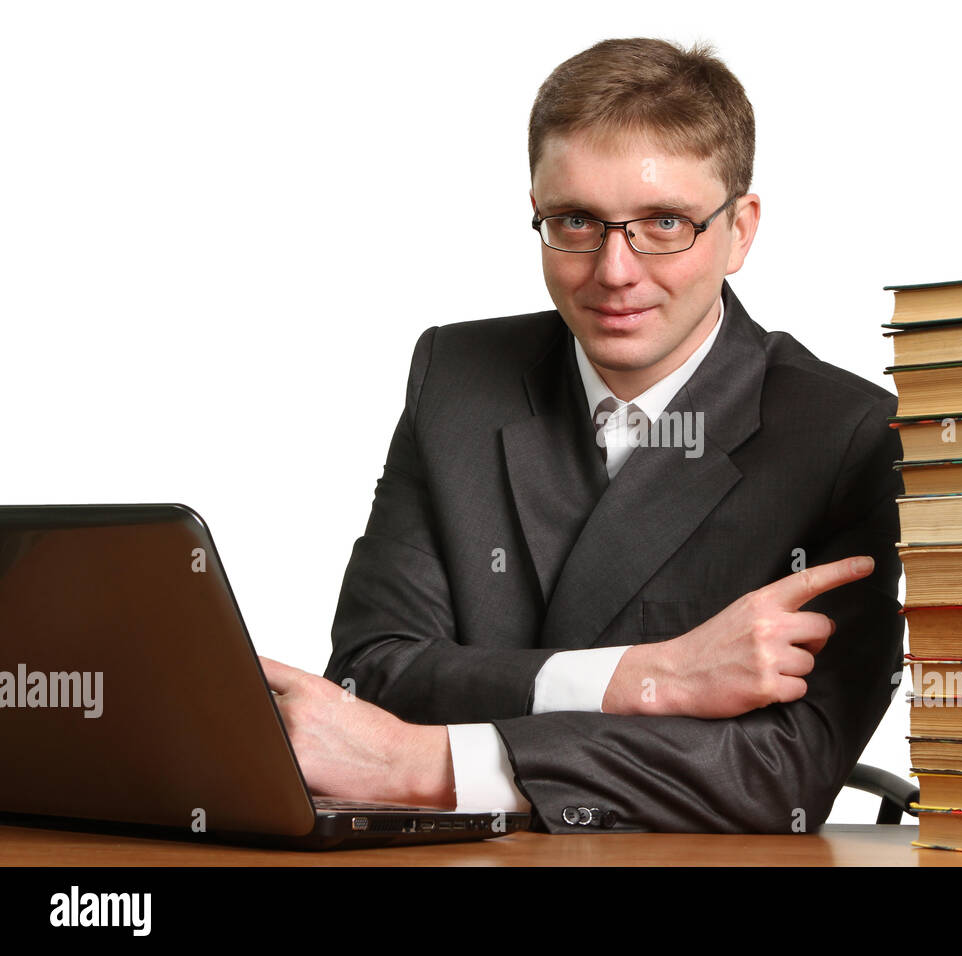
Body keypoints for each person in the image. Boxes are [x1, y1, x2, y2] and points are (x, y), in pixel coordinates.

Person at [259, 36, 904, 834]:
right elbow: (371, 678)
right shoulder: (456, 378)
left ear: (740, 230)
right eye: (575, 221)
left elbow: (782, 771)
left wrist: (423, 764)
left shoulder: (846, 435)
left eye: (665, 222)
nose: (614, 271)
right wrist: (644, 679)